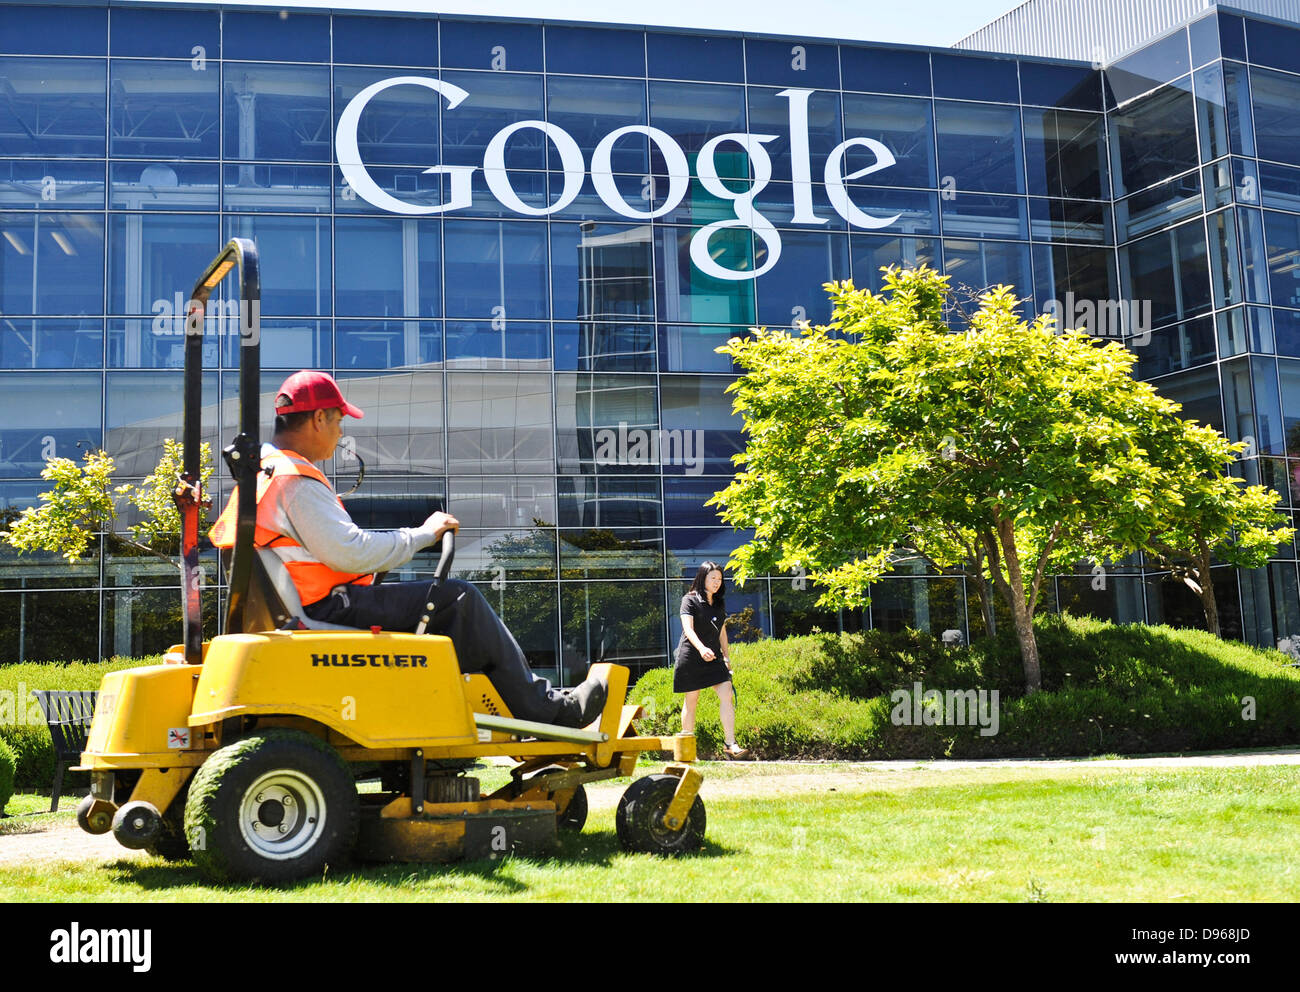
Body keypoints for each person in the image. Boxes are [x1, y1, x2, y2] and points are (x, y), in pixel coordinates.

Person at [209, 370, 606, 729]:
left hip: (306, 605)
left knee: (440, 609)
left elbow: (332, 551)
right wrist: (423, 534)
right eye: (339, 420)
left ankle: (476, 709)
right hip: (325, 608)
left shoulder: (264, 475)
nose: (341, 431)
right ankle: (551, 710)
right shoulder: (295, 481)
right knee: (458, 600)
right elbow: (350, 551)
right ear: (318, 419)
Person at [674, 561, 747, 758]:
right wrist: (701, 648)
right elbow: (688, 629)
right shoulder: (689, 600)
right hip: (692, 655)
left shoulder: (719, 603)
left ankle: (730, 743)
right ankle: (688, 748)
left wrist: (726, 658)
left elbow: (722, 632)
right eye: (712, 578)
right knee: (691, 701)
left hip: (714, 657)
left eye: (719, 579)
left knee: (726, 693)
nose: (716, 582)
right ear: (702, 578)